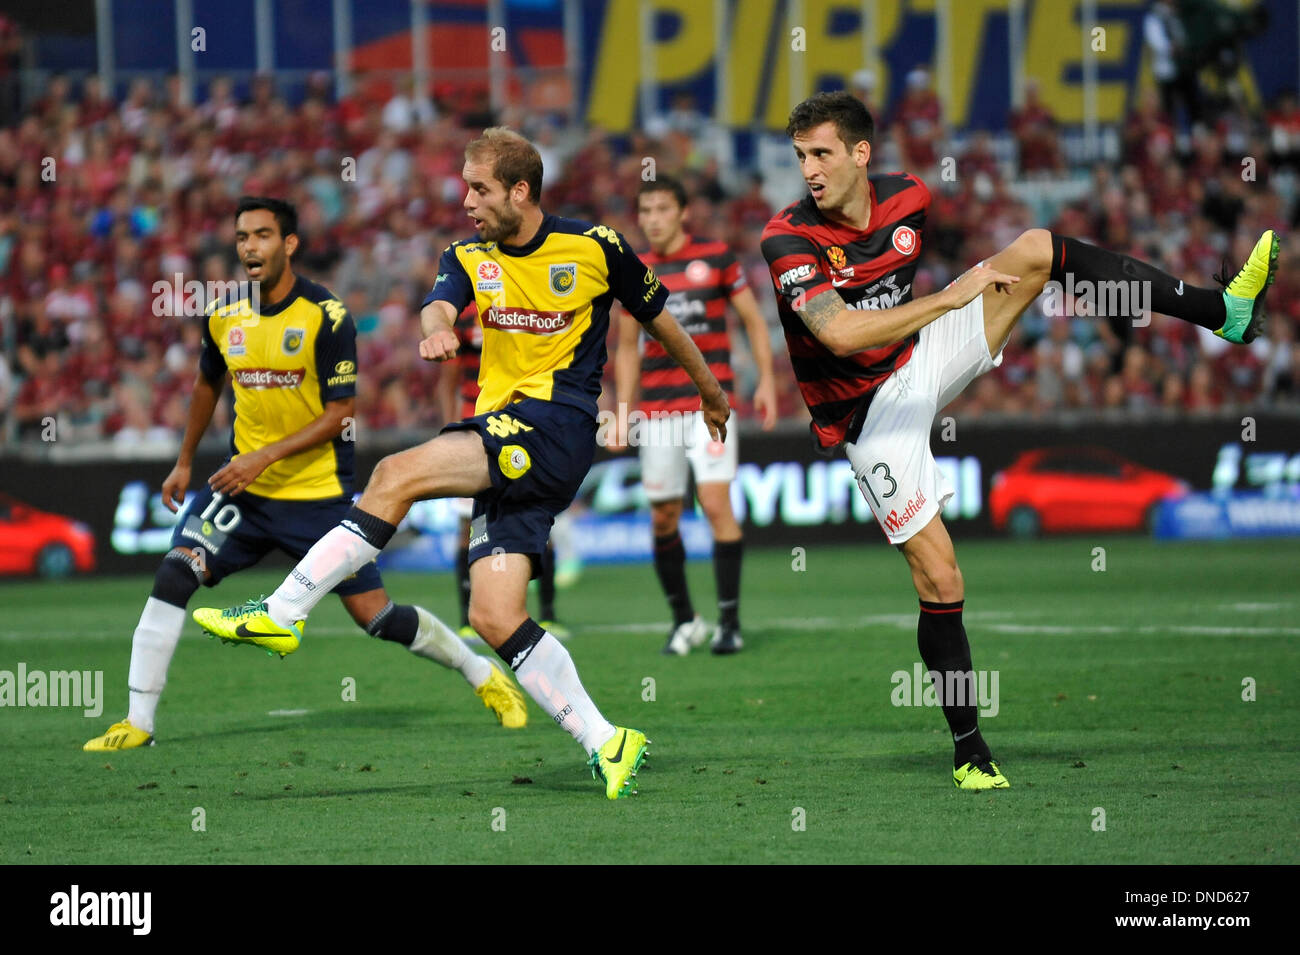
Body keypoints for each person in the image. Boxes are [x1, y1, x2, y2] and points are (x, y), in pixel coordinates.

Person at [759, 91, 1279, 790]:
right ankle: (969, 750)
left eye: (821, 153)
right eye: (800, 157)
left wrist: (951, 303)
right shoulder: (786, 238)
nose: (809, 170)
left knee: (1037, 249)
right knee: (941, 577)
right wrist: (950, 297)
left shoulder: (908, 197)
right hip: (867, 416)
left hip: (919, 357)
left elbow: (909, 302)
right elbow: (839, 333)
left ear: (860, 153)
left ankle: (1225, 312)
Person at [194, 130, 729, 799]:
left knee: (394, 474)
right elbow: (439, 300)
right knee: (494, 614)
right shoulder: (468, 253)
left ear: (520, 190)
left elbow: (661, 320)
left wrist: (709, 391)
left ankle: (283, 609)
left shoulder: (596, 246)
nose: (467, 200)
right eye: (464, 187)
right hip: (508, 435)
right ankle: (608, 740)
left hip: (555, 424)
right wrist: (436, 326)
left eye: (480, 188)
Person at [84, 196, 526, 752]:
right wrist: (185, 460)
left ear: (288, 244)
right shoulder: (223, 312)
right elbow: (206, 384)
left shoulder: (327, 315)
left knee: (378, 617)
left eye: (263, 235)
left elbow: (342, 414)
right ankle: (138, 723)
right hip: (242, 493)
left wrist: (261, 457)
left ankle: (480, 673)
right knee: (175, 574)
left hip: (318, 499)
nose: (250, 246)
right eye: (243, 236)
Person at [614, 175, 777, 655]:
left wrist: (765, 378)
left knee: (714, 503)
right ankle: (685, 620)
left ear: (682, 212)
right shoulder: (633, 269)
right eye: (645, 211)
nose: (653, 220)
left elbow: (751, 319)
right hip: (658, 411)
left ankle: (730, 622)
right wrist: (622, 412)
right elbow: (625, 348)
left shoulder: (718, 257)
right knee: (663, 516)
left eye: (662, 209)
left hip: (710, 407)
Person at [436, 300, 572, 641]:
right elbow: (447, 381)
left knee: (540, 517)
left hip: (522, 427)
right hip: (473, 430)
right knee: (469, 524)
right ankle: (467, 620)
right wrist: (449, 431)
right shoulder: (465, 318)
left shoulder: (528, 306)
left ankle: (550, 616)